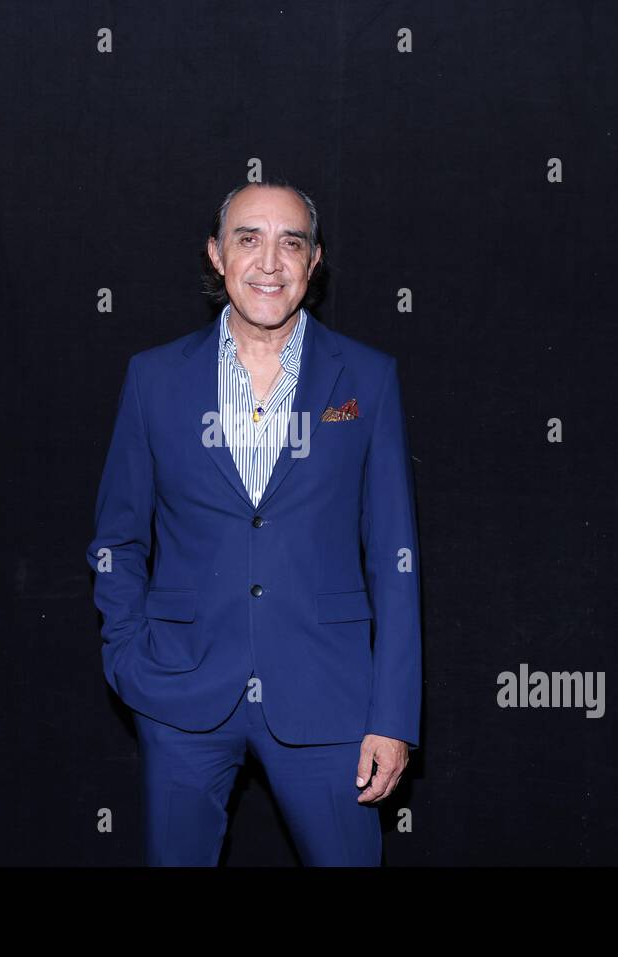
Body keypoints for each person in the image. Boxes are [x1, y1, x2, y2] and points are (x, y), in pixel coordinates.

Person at [85, 179, 421, 865]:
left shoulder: (367, 379)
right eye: (249, 239)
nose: (270, 262)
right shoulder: (153, 379)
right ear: (216, 255)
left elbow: (394, 558)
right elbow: (118, 539)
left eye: (290, 242)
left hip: (329, 700)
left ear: (314, 261)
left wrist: (393, 717)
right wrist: (128, 659)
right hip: (181, 695)